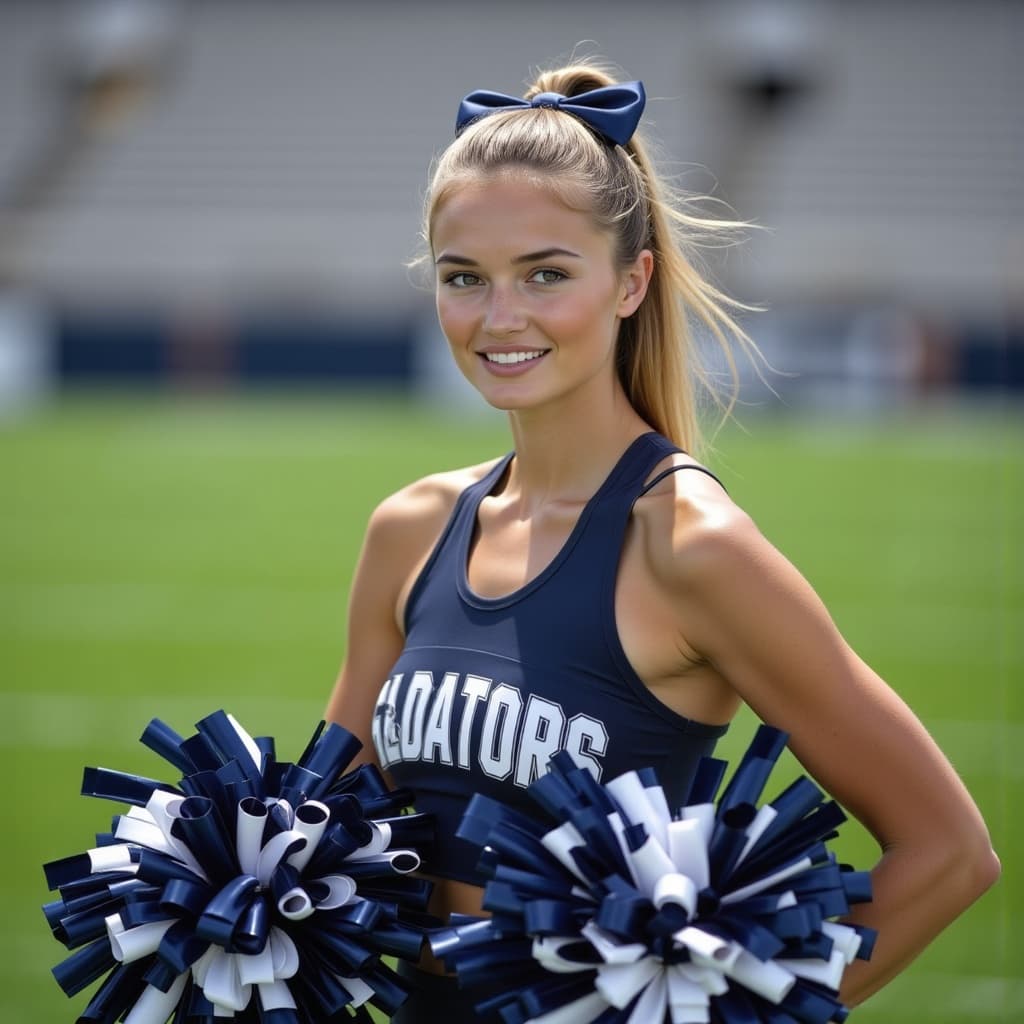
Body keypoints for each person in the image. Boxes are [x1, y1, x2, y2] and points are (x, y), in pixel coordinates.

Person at [325, 60, 999, 1022]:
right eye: (463, 277)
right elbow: (330, 820)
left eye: (546, 274)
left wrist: (732, 1007)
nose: (499, 317)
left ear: (632, 280)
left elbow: (948, 854)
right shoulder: (410, 529)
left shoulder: (691, 546)